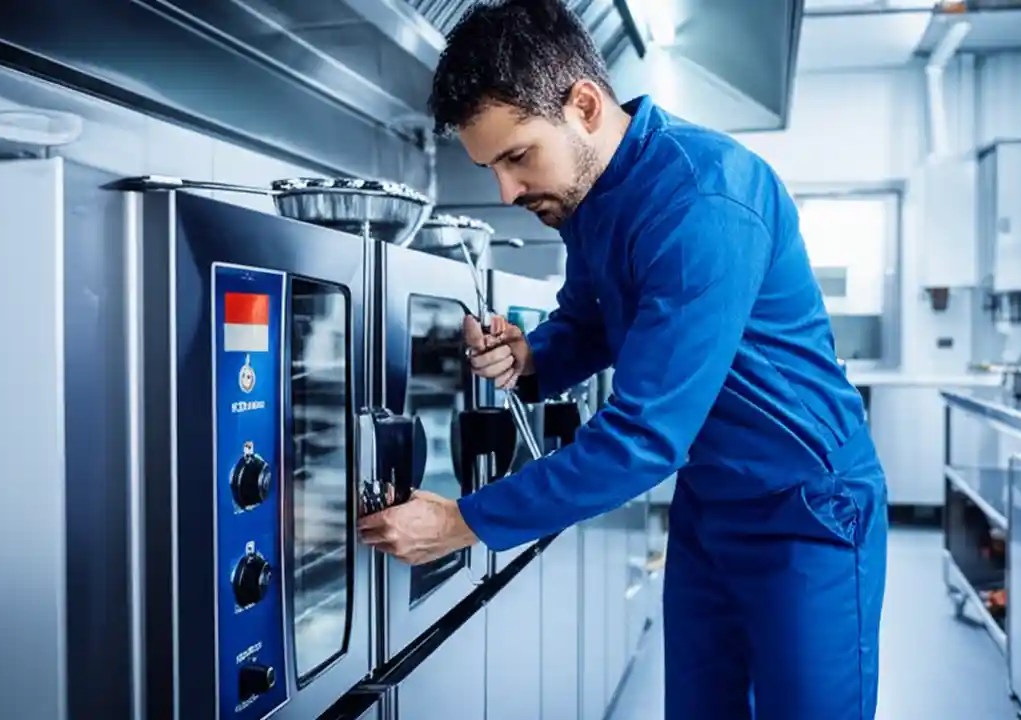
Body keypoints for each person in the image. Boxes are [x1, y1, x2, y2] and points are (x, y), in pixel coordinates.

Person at [356, 1, 888, 717]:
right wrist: (531, 357)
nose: (506, 193)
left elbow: (643, 438)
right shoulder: (594, 198)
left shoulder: (705, 200)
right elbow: (592, 320)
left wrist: (463, 521)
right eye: (490, 167)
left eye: (516, 157)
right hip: (710, 503)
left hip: (807, 511)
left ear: (583, 104)